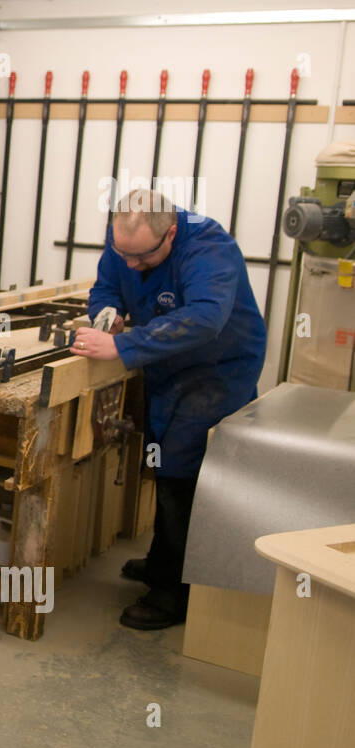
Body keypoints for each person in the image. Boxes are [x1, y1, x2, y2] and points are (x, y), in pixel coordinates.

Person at [71, 189, 266, 630]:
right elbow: (106, 286)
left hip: (216, 369)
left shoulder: (210, 247)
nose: (132, 266)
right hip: (166, 364)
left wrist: (122, 345)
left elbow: (203, 318)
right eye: (124, 254)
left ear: (171, 233)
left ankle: (174, 594)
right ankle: (164, 561)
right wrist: (107, 313)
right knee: (161, 460)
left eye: (142, 258)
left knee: (183, 469)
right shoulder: (126, 239)